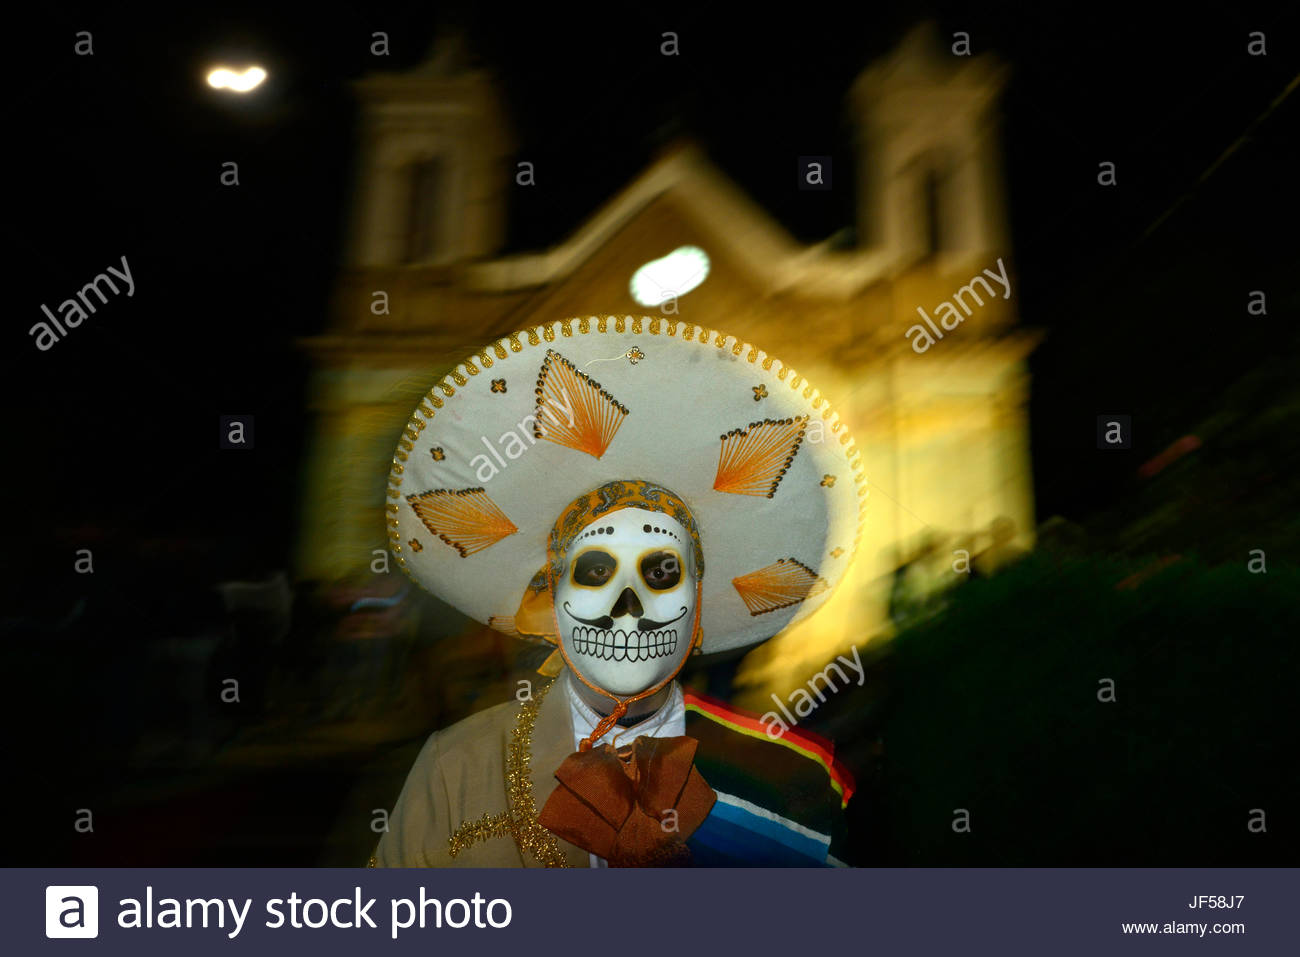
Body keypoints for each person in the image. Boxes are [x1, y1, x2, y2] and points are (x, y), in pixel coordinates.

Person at [369, 316, 865, 867]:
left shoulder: (784, 790)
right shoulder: (458, 768)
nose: (628, 608)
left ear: (697, 611)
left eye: (660, 573)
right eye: (596, 571)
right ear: (550, 604)